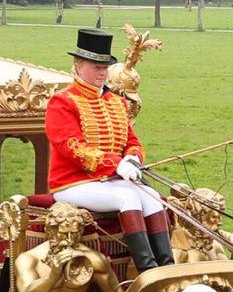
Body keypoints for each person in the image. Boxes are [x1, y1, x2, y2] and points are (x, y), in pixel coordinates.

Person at [44, 28, 173, 272]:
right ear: (78, 65)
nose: (103, 73)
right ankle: (147, 269)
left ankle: (166, 267)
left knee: (153, 197)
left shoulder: (117, 102)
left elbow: (131, 140)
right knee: (128, 197)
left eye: (105, 67)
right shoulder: (63, 101)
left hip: (110, 181)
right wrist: (116, 165)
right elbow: (72, 147)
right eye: (96, 67)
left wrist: (133, 158)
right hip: (73, 184)